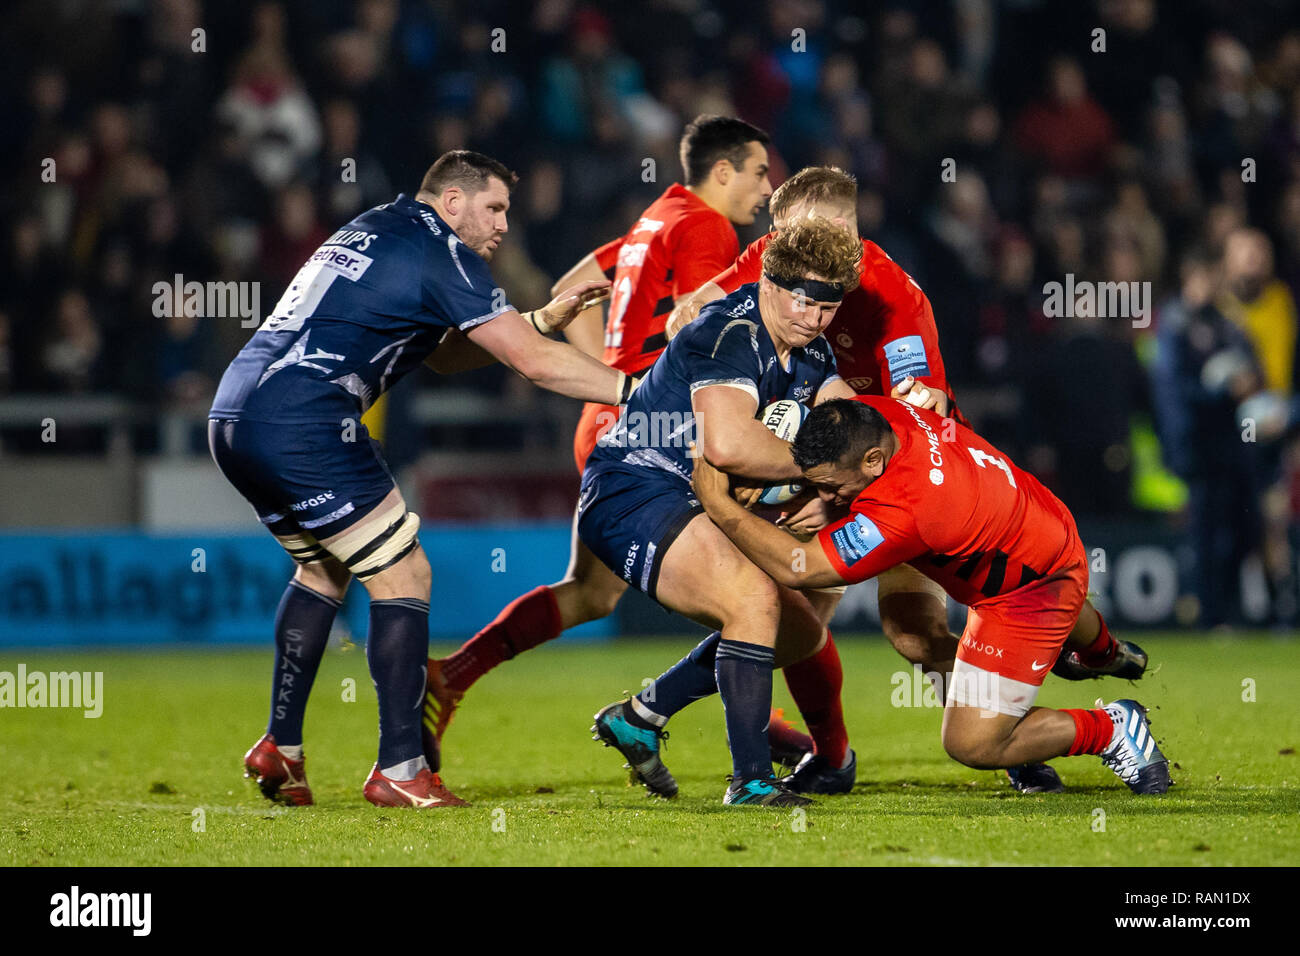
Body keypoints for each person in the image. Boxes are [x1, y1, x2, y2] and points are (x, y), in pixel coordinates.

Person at [666, 165, 1141, 794]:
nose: (788, 259)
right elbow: (690, 314)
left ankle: (1010, 728)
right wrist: (703, 329)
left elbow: (918, 415)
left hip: (906, 481)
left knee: (895, 627)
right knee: (809, 613)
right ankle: (829, 753)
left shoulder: (893, 298)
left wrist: (818, 491)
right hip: (831, 466)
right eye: (779, 241)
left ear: (844, 233)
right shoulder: (779, 256)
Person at [209, 150, 624, 808]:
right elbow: (537, 367)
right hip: (306, 420)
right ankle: (400, 770)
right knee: (405, 577)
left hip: (237, 412)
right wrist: (642, 392)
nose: (503, 226)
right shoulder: (445, 252)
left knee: (322, 571)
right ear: (452, 202)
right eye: (494, 208)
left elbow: (445, 359)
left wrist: (538, 320)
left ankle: (280, 749)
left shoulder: (378, 227)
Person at [422, 116, 817, 758]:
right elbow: (709, 328)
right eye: (757, 173)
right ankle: (750, 729)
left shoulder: (655, 216)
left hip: (607, 423)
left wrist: (612, 382)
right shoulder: (705, 227)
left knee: (591, 593)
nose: (766, 189)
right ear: (722, 172)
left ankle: (449, 676)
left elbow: (569, 285)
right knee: (757, 595)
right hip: (659, 433)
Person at [689, 396, 1172, 795]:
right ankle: (1102, 651)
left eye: (832, 486)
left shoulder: (911, 509)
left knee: (972, 745)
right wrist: (826, 496)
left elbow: (799, 568)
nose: (829, 496)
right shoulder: (879, 413)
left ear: (873, 462)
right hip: (1035, 517)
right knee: (914, 633)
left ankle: (1112, 729)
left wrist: (719, 506)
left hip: (1030, 586)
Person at [583, 218, 862, 806]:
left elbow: (852, 428)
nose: (813, 317)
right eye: (803, 300)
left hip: (692, 497)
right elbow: (730, 445)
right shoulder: (730, 333)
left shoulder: (808, 345)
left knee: (798, 630)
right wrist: (826, 475)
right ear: (769, 280)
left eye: (828, 307)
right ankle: (751, 781)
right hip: (632, 488)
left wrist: (836, 479)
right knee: (754, 601)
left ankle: (643, 713)